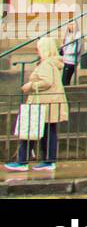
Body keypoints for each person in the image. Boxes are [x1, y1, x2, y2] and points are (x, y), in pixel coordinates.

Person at [5, 36, 68, 172]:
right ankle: (48, 161)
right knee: (48, 133)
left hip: (42, 104)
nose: (37, 51)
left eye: (39, 48)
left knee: (29, 132)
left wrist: (30, 86)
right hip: (49, 103)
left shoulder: (46, 64)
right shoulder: (53, 63)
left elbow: (47, 82)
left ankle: (23, 161)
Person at [59, 22, 81, 86]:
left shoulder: (78, 35)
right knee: (64, 80)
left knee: (65, 80)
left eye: (72, 24)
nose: (70, 26)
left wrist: (64, 49)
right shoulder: (68, 35)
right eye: (69, 24)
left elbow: (76, 49)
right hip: (66, 60)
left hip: (71, 61)